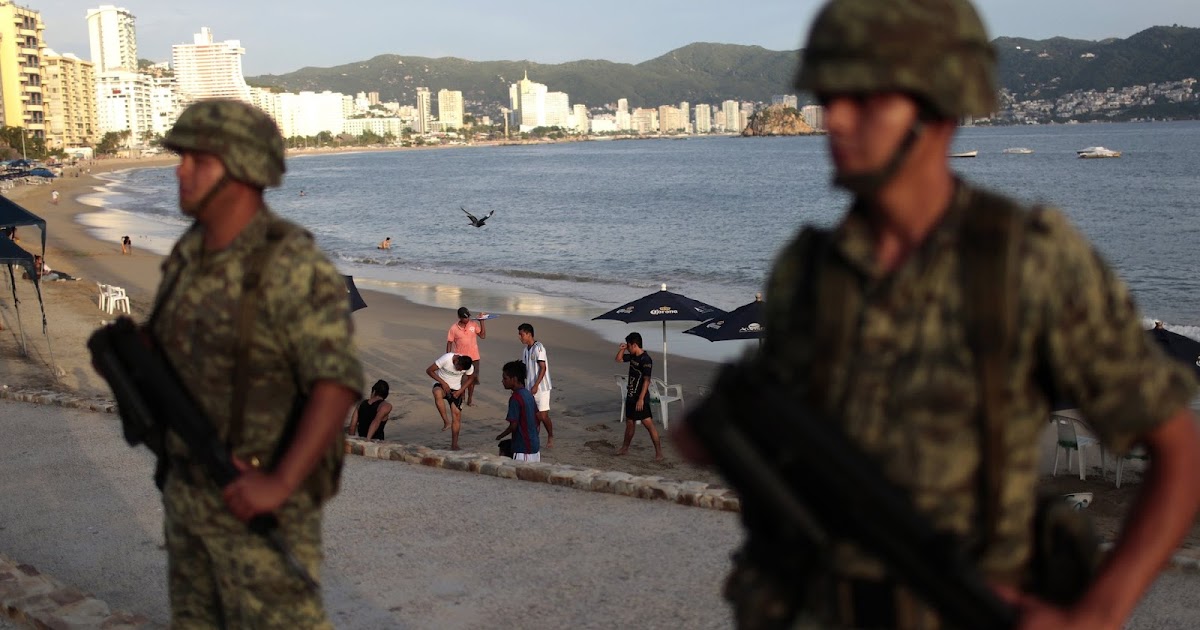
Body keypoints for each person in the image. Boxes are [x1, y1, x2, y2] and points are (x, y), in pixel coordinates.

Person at [674, 1, 1200, 628]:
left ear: (940, 111)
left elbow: (1179, 451)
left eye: (865, 100)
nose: (835, 119)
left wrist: (1095, 614)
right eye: (829, 97)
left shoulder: (1025, 262)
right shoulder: (811, 268)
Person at [152, 99, 363, 628]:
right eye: (181, 158)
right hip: (190, 494)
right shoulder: (189, 253)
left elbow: (335, 382)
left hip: (259, 500)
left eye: (198, 161)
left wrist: (281, 482)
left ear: (243, 168)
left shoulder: (290, 262)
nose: (181, 172)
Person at [615, 332, 663, 460]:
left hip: (640, 398)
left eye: (629, 345)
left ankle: (659, 453)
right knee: (630, 423)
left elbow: (647, 380)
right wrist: (623, 349)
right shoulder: (632, 356)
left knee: (648, 424)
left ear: (634, 345)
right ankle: (625, 448)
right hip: (631, 396)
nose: (628, 348)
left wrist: (641, 399)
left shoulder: (645, 360)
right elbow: (618, 359)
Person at [425, 352, 477, 450]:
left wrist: (461, 391)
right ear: (457, 361)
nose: (460, 370)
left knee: (456, 416)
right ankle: (446, 421)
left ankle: (454, 445)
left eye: (462, 370)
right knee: (437, 393)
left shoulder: (468, 366)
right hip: (441, 384)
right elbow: (429, 370)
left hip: (456, 389)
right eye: (459, 368)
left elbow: (471, 378)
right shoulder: (447, 358)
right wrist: (443, 383)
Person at [495, 360, 541, 462]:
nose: (503, 381)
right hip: (534, 445)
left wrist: (501, 435)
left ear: (514, 379)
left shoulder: (515, 398)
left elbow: (513, 426)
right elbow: (538, 417)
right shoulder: (528, 394)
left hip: (523, 448)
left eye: (505, 378)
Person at [518, 322, 554, 447]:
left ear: (528, 334)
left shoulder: (539, 348)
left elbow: (542, 368)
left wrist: (536, 385)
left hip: (541, 387)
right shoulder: (525, 351)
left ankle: (550, 435)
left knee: (542, 415)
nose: (520, 337)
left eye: (521, 334)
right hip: (529, 387)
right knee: (533, 415)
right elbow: (524, 370)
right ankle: (534, 437)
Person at [446, 306, 486, 406]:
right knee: (462, 380)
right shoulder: (454, 328)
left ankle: (470, 399)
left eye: (468, 317)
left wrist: (482, 321)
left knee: (472, 380)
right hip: (461, 359)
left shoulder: (473, 324)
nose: (467, 319)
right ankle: (462, 398)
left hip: (474, 357)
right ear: (459, 317)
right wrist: (448, 356)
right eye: (464, 318)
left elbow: (482, 336)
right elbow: (450, 342)